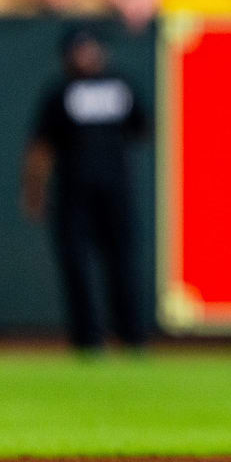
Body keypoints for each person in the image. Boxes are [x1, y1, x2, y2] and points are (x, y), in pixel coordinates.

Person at [20, 28, 149, 353]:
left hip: (115, 192)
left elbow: (142, 128)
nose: (87, 56)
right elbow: (40, 147)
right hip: (73, 193)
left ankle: (131, 335)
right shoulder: (60, 93)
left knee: (122, 262)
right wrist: (35, 192)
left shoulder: (120, 86)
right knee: (76, 264)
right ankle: (88, 339)